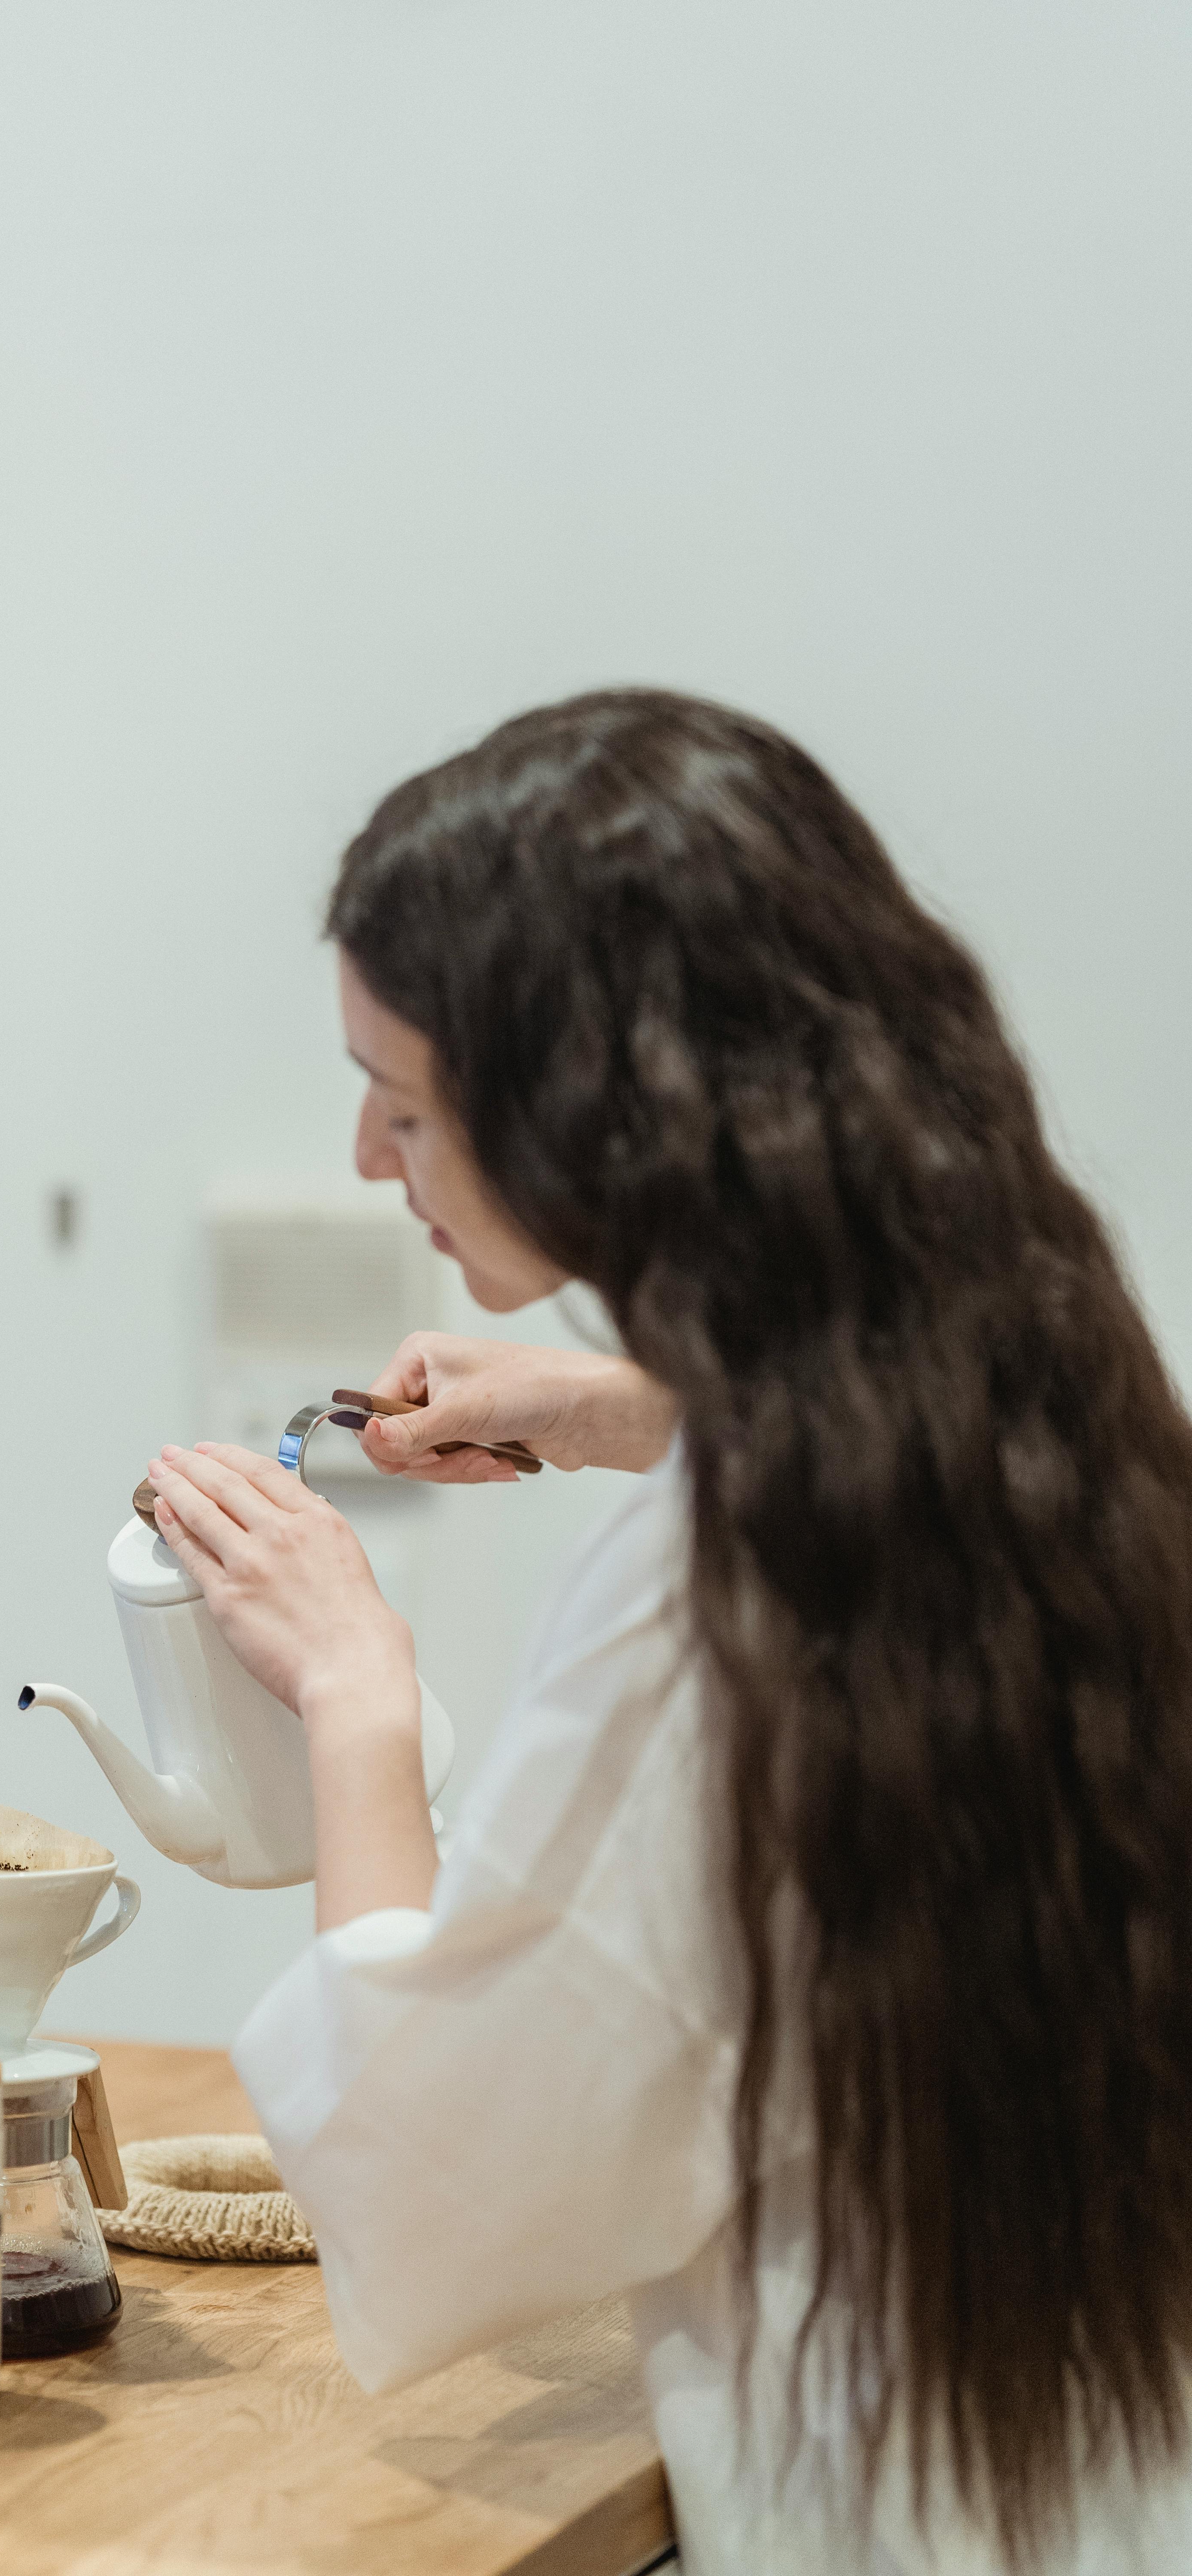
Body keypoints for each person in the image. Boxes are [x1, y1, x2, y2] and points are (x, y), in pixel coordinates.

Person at [144, 690, 1192, 2573]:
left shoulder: (723, 1614)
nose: (373, 1161)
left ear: (585, 1121)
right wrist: (651, 1401)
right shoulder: (1055, 1393)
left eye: (402, 1104)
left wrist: (352, 1693)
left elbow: (436, 2182)